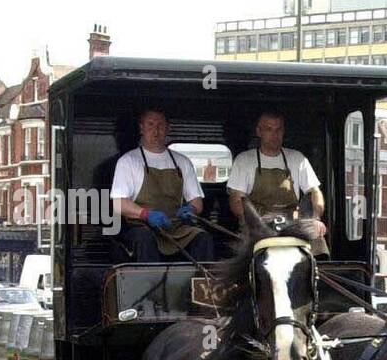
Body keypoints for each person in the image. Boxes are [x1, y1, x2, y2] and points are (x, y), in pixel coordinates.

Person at [111, 108, 214, 264]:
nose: (156, 130)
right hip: (143, 227)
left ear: (168, 128)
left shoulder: (182, 162)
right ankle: (149, 286)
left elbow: (197, 202)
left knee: (202, 237)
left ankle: (201, 286)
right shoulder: (128, 161)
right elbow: (119, 203)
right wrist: (145, 214)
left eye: (160, 125)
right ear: (141, 128)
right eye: (150, 124)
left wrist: (191, 209)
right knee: (144, 238)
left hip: (176, 229)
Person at [227, 110, 328, 256]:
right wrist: (253, 222)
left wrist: (314, 219)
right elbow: (236, 199)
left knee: (317, 241)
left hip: (292, 223)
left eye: (278, 129)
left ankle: (319, 276)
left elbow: (314, 192)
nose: (275, 135)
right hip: (258, 223)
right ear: (259, 132)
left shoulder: (297, 158)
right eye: (269, 129)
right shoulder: (244, 160)